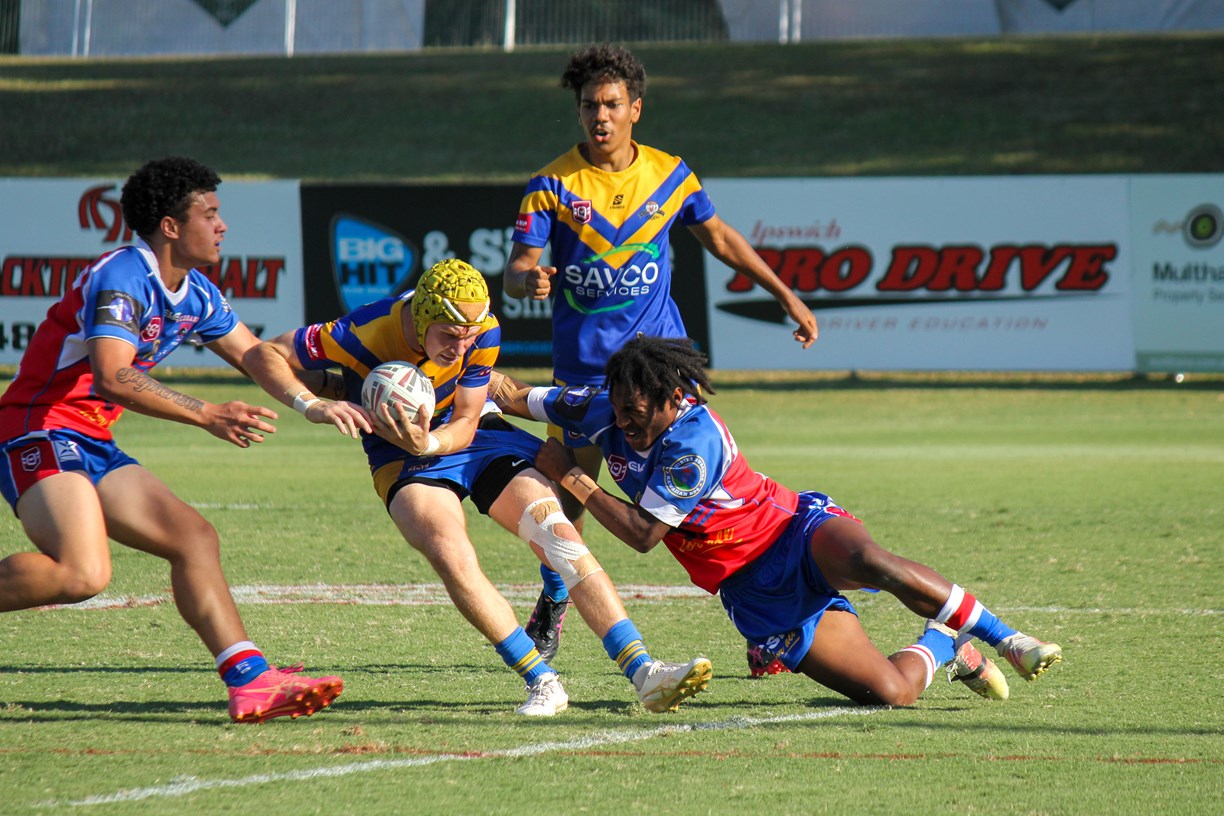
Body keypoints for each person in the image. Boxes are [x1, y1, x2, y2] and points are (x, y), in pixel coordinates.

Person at [241, 258, 711, 716]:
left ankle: (645, 672)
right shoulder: (361, 330)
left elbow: (466, 419)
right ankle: (542, 681)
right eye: (449, 335)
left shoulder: (481, 329)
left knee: (557, 534)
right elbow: (262, 353)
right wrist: (312, 403)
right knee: (449, 550)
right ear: (421, 317)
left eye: (469, 337)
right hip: (397, 455)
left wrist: (429, 440)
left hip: (475, 435)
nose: (460, 347)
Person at [490, 336, 1065, 707]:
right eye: (618, 413)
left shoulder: (693, 443)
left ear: (670, 399)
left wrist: (572, 475)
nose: (625, 424)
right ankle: (945, 644)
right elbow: (514, 396)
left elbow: (642, 535)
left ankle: (1009, 638)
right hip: (753, 592)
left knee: (873, 563)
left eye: (637, 416)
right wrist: (455, 375)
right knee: (891, 695)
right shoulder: (604, 405)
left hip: (791, 532)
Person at [503, 44, 820, 672]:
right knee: (568, 497)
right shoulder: (551, 185)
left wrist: (784, 293)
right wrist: (526, 282)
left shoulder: (672, 175)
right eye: (590, 105)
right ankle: (556, 594)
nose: (600, 115)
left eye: (612, 104)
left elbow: (721, 238)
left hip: (661, 374)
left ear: (635, 109)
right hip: (586, 376)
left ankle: (766, 627)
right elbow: (516, 268)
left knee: (702, 498)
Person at [0, 157, 343, 723]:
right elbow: (113, 374)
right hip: (40, 426)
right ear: (170, 226)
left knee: (193, 537)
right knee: (83, 574)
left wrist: (320, 398)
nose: (222, 225)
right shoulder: (124, 274)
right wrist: (206, 411)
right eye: (209, 213)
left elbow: (254, 353)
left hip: (89, 438)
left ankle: (251, 682)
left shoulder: (197, 292)